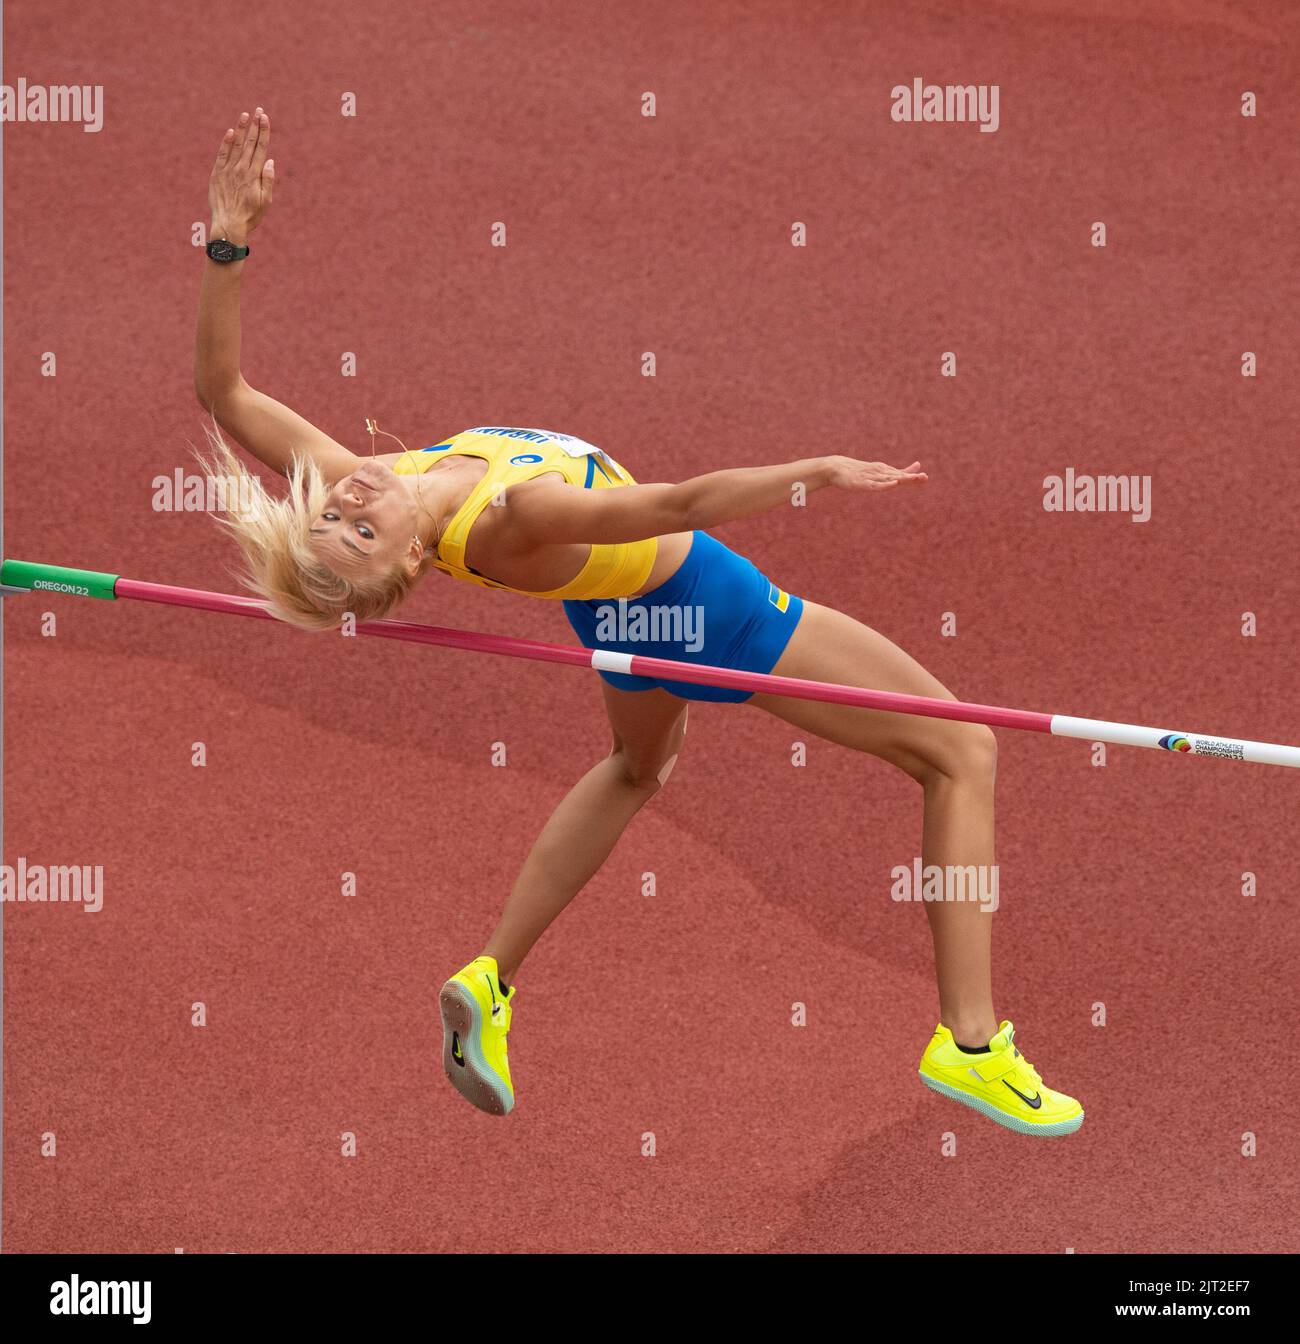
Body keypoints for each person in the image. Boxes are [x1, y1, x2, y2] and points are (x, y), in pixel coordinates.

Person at [195, 108, 1084, 1138]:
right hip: (704, 608)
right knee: (960, 748)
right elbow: (673, 507)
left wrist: (228, 237)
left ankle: (489, 980)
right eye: (351, 535)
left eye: (332, 515)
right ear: (403, 566)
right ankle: (969, 1045)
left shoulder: (379, 476)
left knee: (634, 770)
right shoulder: (517, 520)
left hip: (618, 618)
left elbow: (224, 389)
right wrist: (810, 473)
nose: (344, 504)